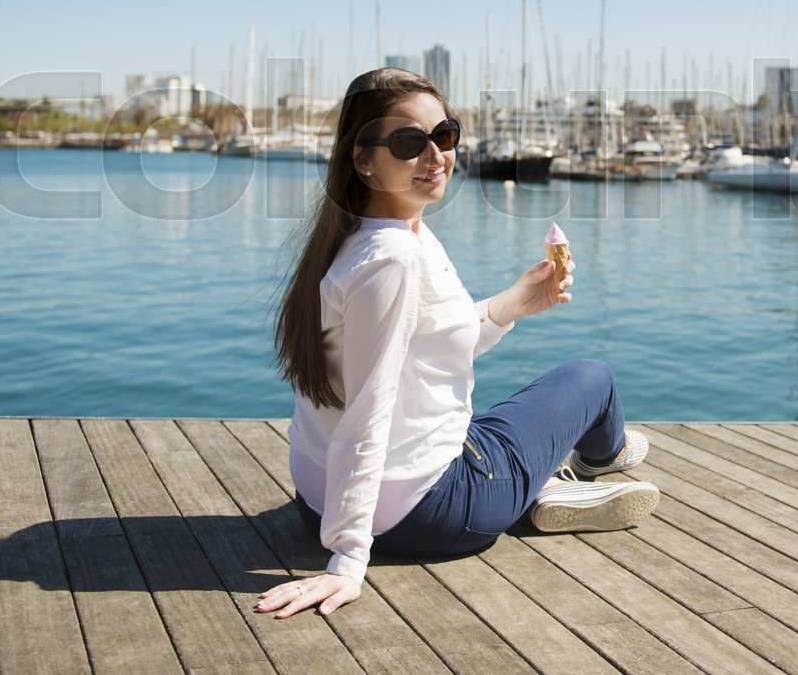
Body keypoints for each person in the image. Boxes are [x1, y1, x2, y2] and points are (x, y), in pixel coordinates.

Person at [256, 68, 657, 621]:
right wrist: (347, 559)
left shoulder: (356, 237)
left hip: (318, 502)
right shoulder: (394, 259)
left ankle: (543, 481)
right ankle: (598, 459)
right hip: (428, 513)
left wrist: (512, 304)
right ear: (363, 159)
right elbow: (367, 414)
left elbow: (424, 352)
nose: (435, 156)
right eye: (408, 142)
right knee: (592, 378)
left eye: (444, 135)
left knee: (487, 423)